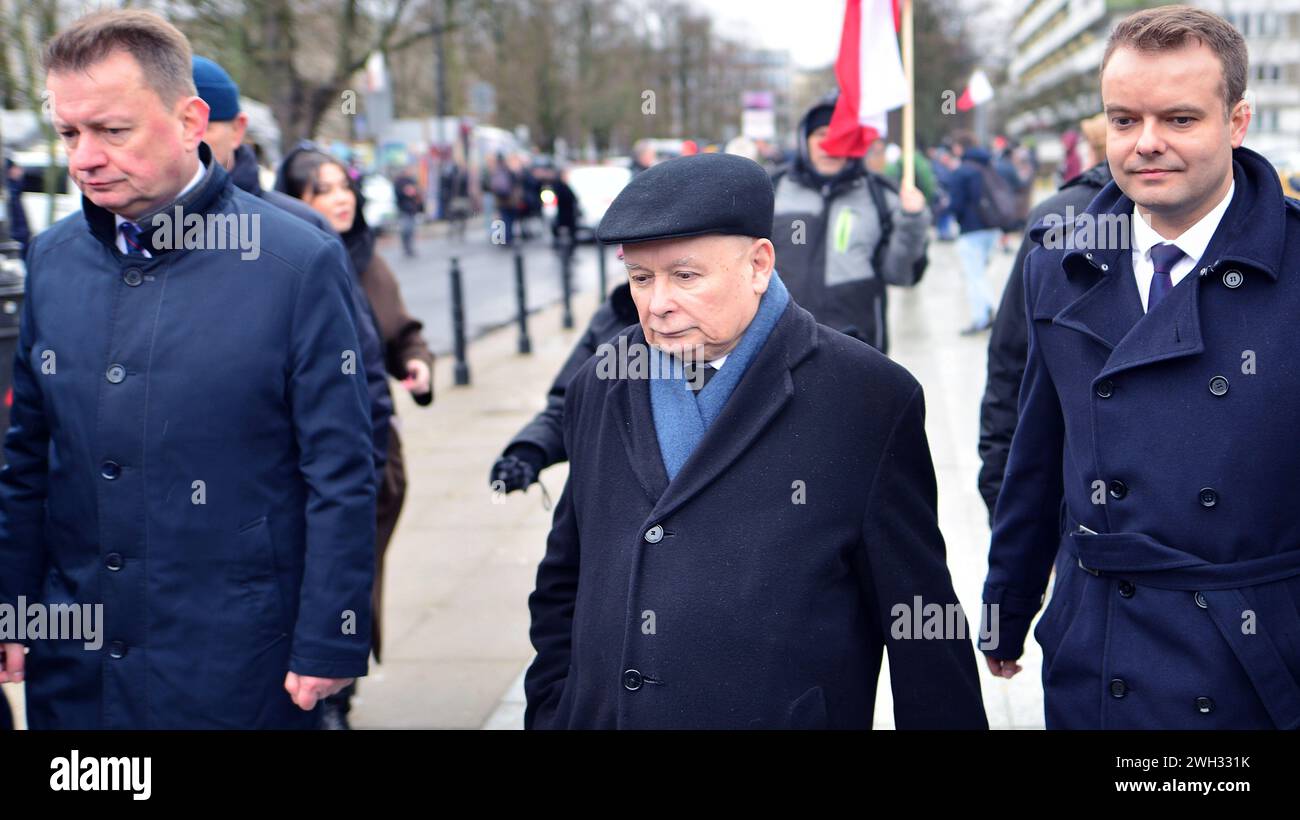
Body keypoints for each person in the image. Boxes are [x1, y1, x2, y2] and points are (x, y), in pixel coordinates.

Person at [0, 9, 375, 729]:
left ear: (189, 119)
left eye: (112, 131)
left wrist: (332, 634)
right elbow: (28, 457)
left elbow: (339, 469)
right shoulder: (51, 260)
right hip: (79, 669)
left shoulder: (296, 261)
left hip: (235, 665)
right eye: (68, 133)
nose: (84, 158)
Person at [524, 152, 986, 729]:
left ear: (759, 265)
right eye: (640, 278)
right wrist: (552, 711)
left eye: (685, 276)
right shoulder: (600, 383)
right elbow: (565, 578)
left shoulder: (868, 399)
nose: (658, 302)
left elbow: (921, 625)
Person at [983, 6, 1300, 729]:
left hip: (1250, 656)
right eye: (1124, 121)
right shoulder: (1057, 260)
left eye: (1180, 120)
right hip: (1101, 649)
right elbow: (1036, 452)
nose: (1146, 145)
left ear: (1238, 121)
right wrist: (1009, 602)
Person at [277, 146, 435, 728]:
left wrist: (415, 364)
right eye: (322, 190)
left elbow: (401, 333)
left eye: (343, 186)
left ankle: (340, 682)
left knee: (359, 567)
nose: (339, 198)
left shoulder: (367, 259)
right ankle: (329, 695)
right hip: (316, 455)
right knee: (330, 566)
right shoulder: (290, 262)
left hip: (376, 448)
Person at [193, 55, 394, 508]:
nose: (189, 142)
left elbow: (359, 374)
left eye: (203, 126)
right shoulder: (119, 237)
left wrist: (354, 505)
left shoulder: (299, 233)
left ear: (238, 129)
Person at [977, 116, 1111, 522]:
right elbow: (1015, 355)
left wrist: (1001, 488)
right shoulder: (1059, 217)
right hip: (1074, 510)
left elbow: (1008, 361)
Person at [770, 95, 930, 355]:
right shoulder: (772, 188)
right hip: (779, 347)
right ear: (804, 140)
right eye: (822, 135)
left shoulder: (880, 196)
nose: (831, 144)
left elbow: (901, 275)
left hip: (856, 349)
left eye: (841, 135)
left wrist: (912, 223)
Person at [490, 282, 638, 494]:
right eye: (641, 276)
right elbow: (569, 405)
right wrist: (529, 450)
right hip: (613, 496)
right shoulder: (613, 317)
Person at [946, 130, 999, 335]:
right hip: (991, 226)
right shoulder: (988, 164)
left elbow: (956, 204)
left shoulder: (962, 171)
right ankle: (987, 313)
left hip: (970, 229)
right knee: (981, 273)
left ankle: (984, 315)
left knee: (974, 275)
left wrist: (952, 215)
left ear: (960, 148)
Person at [393, 169, 423, 257]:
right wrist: (405, 192)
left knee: (411, 230)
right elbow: (397, 195)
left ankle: (410, 247)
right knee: (405, 229)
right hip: (403, 209)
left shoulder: (412, 181)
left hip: (412, 209)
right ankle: (406, 247)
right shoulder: (398, 182)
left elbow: (417, 192)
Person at [4, 159, 29, 254]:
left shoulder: (14, 189)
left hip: (20, 234)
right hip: (17, 235)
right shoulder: (10, 191)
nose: (20, 171)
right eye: (16, 169)